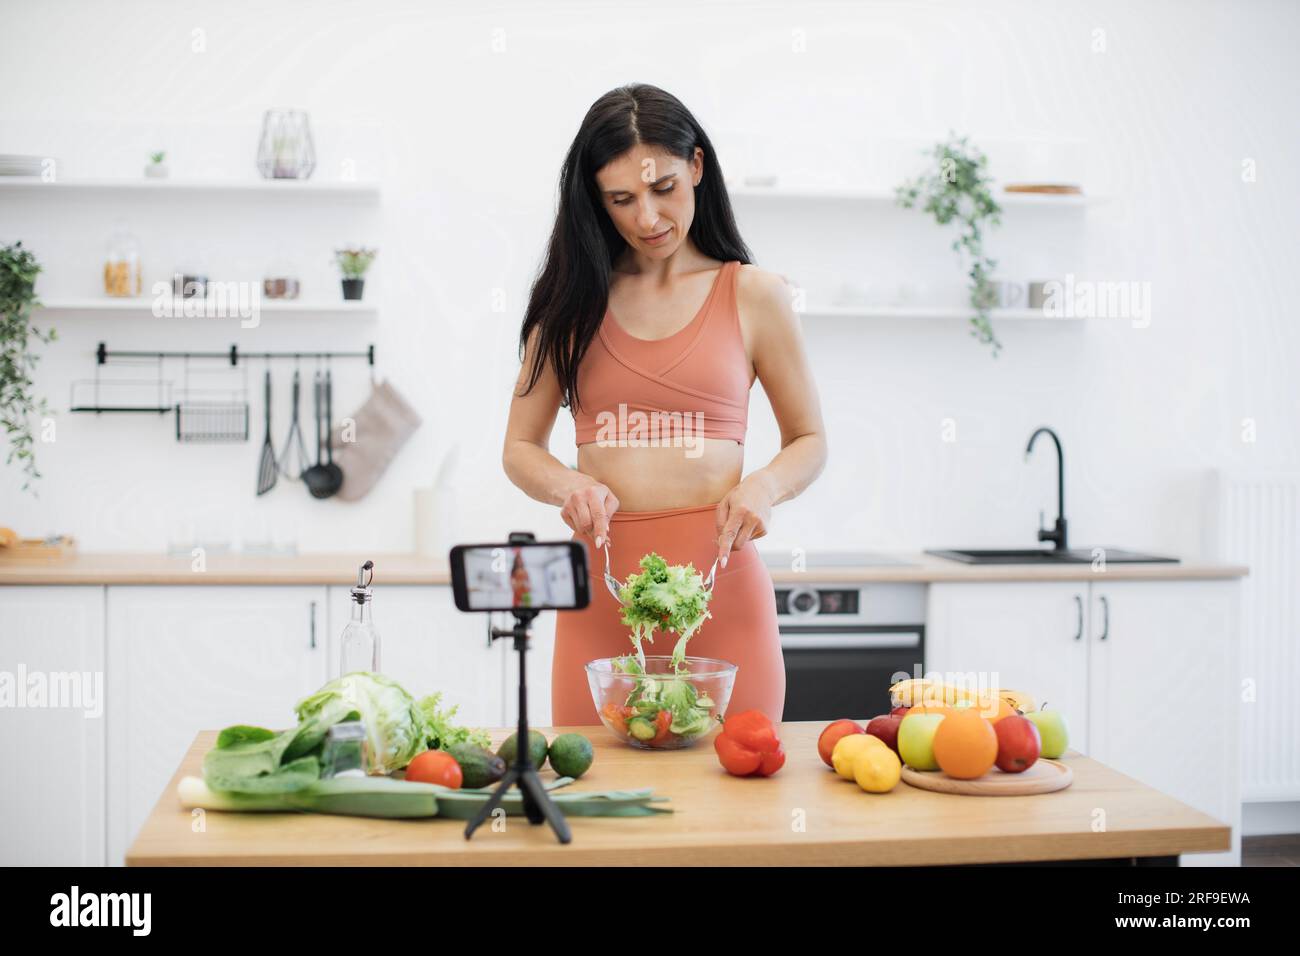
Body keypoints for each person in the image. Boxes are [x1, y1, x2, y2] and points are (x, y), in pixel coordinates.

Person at [503, 84, 827, 726]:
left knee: (736, 806)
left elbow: (809, 439)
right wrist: (566, 483)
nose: (647, 218)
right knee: (599, 803)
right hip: (601, 601)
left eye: (664, 189)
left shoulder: (755, 295)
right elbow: (519, 449)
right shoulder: (572, 304)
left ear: (698, 167)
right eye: (621, 200)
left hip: (723, 597)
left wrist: (764, 487)